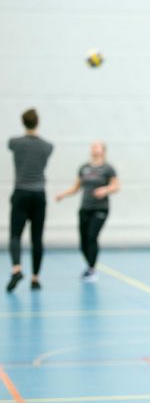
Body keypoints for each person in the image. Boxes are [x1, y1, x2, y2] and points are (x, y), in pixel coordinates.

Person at [55, 141, 120, 282]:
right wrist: (63, 194)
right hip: (85, 208)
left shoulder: (108, 169)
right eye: (92, 147)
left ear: (103, 150)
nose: (94, 149)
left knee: (92, 236)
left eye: (97, 147)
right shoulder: (84, 168)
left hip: (100, 208)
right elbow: (76, 187)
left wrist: (105, 189)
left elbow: (116, 186)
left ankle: (92, 269)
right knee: (83, 241)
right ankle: (89, 265)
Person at [7, 108, 54, 292]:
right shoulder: (47, 146)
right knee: (37, 238)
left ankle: (16, 268)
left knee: (16, 234)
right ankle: (35, 278)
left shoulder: (14, 142)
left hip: (21, 192)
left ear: (23, 122)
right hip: (38, 194)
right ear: (38, 122)